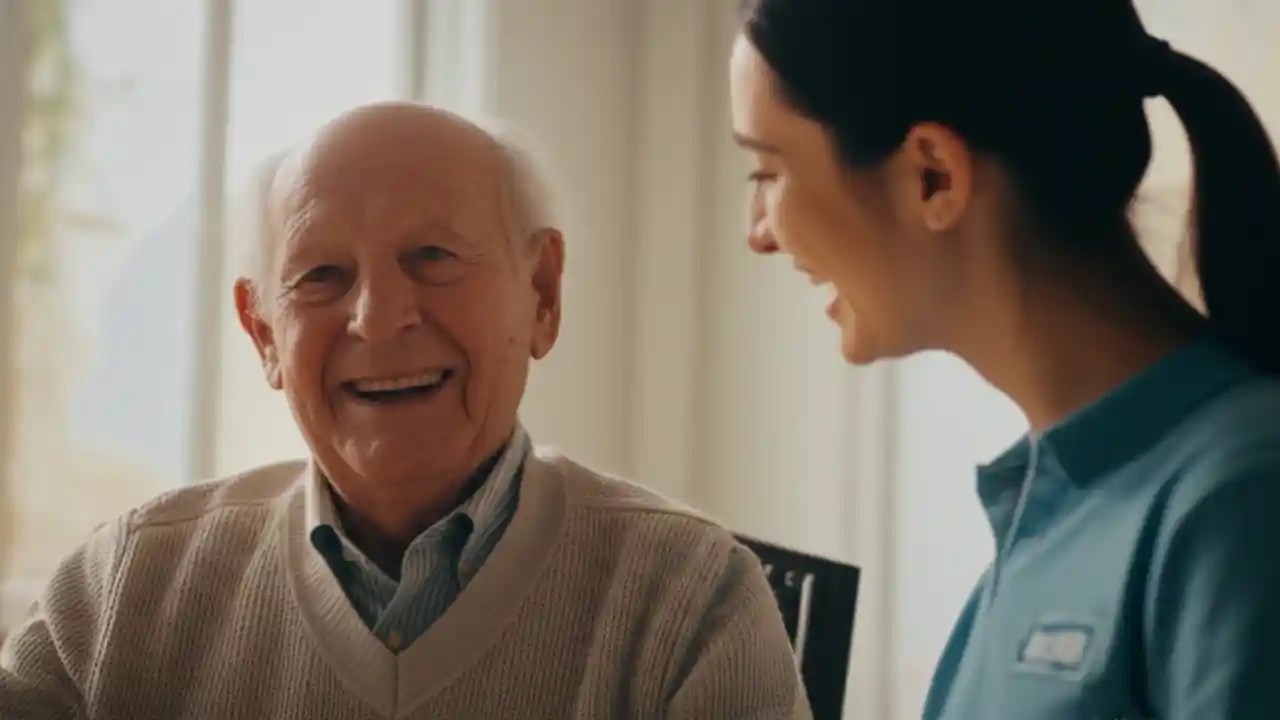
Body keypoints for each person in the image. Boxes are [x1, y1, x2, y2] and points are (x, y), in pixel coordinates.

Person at [0, 103, 809, 719]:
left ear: (542, 294)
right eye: (320, 275)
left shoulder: (687, 602)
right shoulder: (125, 590)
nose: (379, 318)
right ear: (262, 333)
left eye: (433, 258)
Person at [730, 1, 1280, 718]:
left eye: (767, 173)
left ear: (933, 176)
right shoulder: (1049, 506)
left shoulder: (1241, 501)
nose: (759, 234)